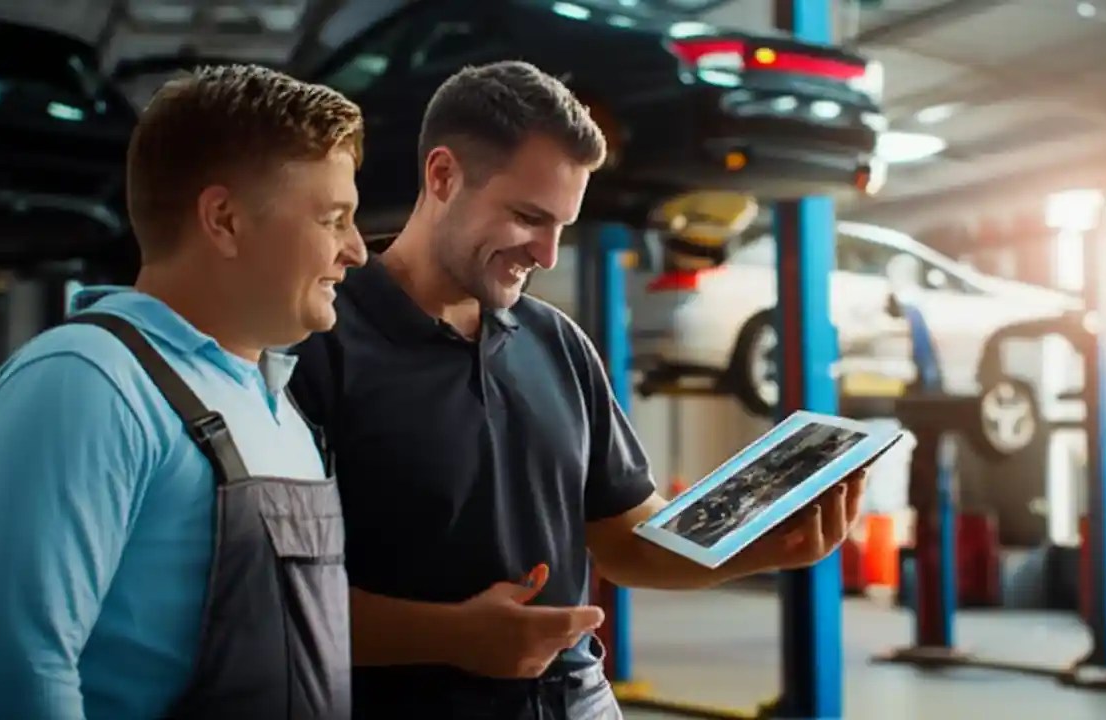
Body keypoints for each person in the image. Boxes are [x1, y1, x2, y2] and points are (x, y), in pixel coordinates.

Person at [288, 60, 866, 719]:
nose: (547, 254)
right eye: (527, 217)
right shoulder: (317, 341)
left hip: (577, 700)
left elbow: (625, 538)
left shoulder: (557, 343)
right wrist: (452, 637)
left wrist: (751, 547)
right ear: (443, 175)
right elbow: (267, 598)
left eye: (561, 225)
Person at [0, 64, 368, 720]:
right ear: (224, 220)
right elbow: (16, 667)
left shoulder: (277, 405)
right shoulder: (90, 382)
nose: (356, 250)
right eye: (333, 219)